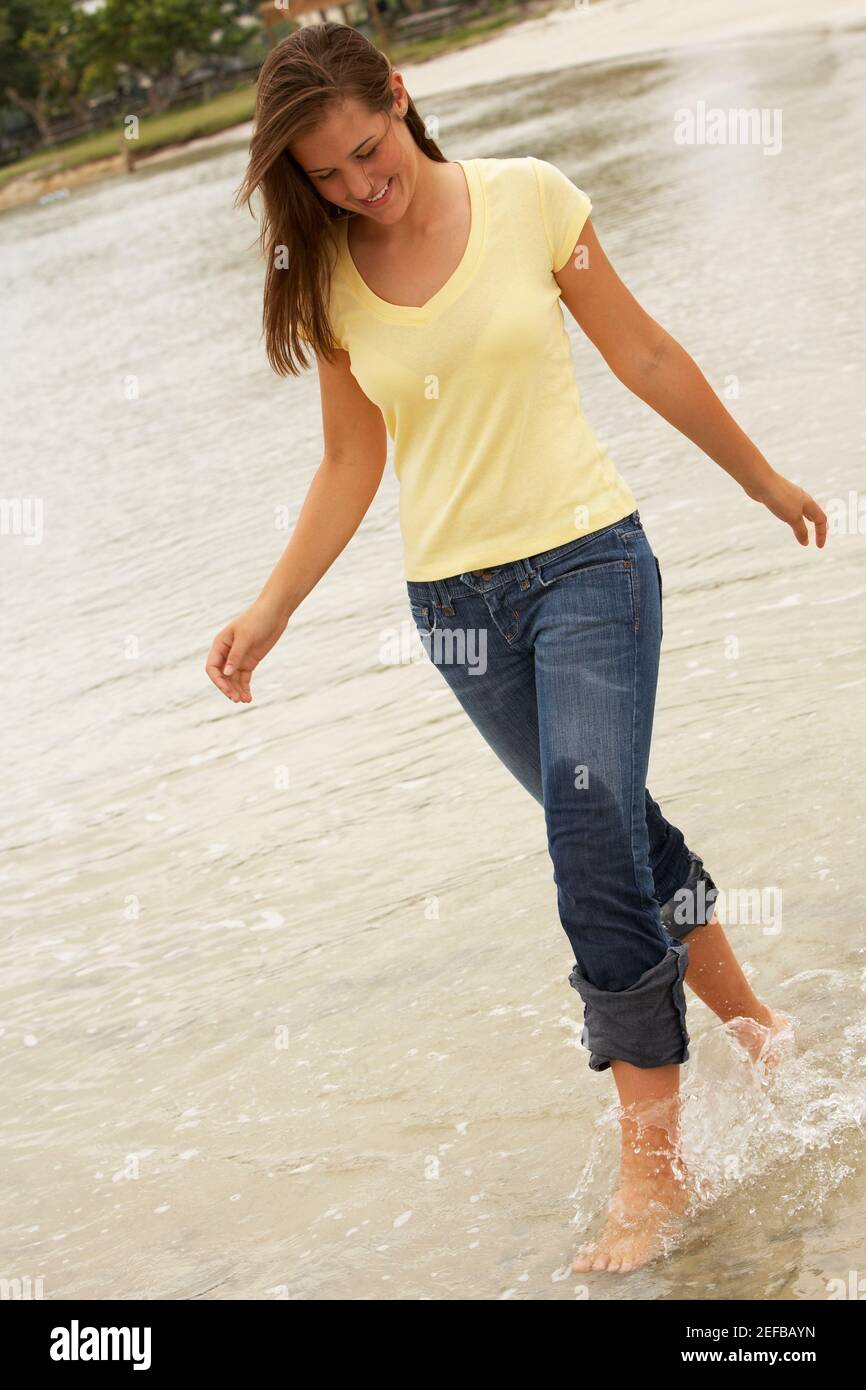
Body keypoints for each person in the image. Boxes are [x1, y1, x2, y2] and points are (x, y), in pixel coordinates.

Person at [205, 22, 827, 1273]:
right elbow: (349, 458)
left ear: (399, 95)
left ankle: (650, 1171)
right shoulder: (327, 272)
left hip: (590, 560)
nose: (355, 185)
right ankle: (756, 1027)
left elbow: (640, 349)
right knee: (621, 828)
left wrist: (757, 476)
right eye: (324, 174)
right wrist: (268, 609)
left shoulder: (530, 197)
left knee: (583, 825)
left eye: (366, 152)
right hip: (454, 611)